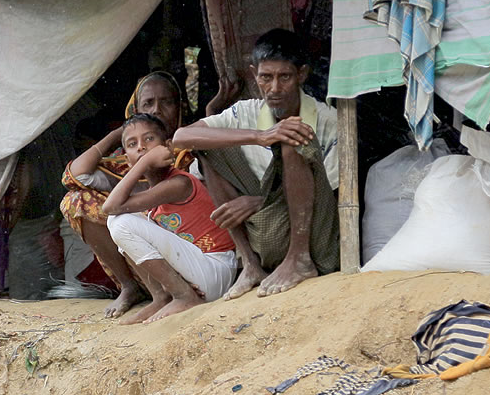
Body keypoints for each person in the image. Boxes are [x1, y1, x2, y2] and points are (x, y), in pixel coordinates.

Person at [173, 28, 338, 299]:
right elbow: (181, 137)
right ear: (254, 75)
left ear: (302, 75)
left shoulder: (328, 120)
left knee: (292, 132)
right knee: (207, 147)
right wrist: (259, 136)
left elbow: (328, 193)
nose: (274, 88)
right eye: (266, 77)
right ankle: (250, 264)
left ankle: (299, 260)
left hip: (316, 237)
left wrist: (258, 201)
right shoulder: (246, 112)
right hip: (267, 233)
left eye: (284, 77)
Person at [60, 72, 195, 318]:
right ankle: (131, 287)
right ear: (134, 109)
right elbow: (74, 177)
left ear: (180, 106)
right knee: (75, 202)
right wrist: (123, 132)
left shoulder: (191, 150)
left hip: (189, 260)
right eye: (148, 104)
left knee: (127, 216)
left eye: (166, 102)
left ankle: (175, 292)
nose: (157, 110)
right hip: (146, 265)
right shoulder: (126, 160)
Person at [102, 114, 237, 324]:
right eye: (132, 144)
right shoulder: (154, 193)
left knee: (119, 222)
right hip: (199, 273)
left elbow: (111, 207)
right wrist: (143, 162)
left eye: (149, 139)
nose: (141, 148)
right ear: (126, 157)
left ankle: (184, 297)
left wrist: (143, 162)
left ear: (167, 147)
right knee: (121, 220)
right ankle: (161, 297)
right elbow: (112, 208)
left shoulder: (179, 183)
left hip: (215, 270)